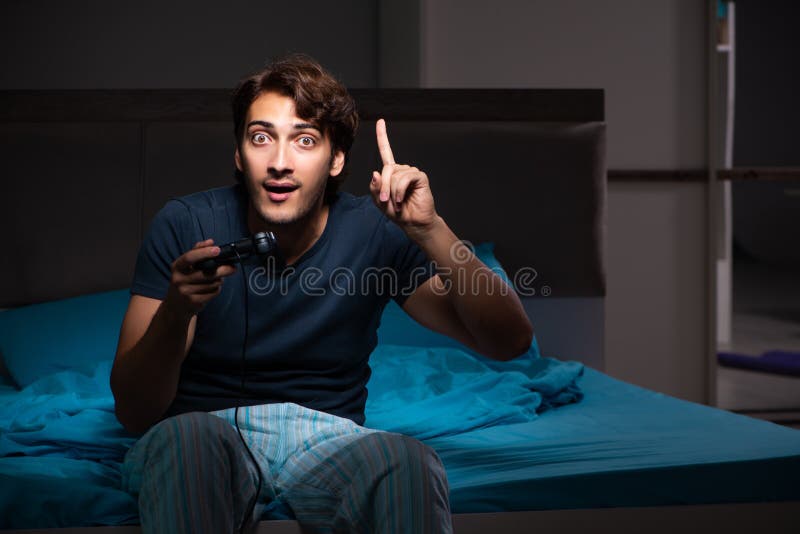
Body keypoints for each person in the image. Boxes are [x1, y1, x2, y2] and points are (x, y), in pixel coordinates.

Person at [111, 53, 533, 534]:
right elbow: (134, 413)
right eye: (261, 137)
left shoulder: (375, 231)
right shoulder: (185, 224)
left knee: (409, 462)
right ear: (239, 154)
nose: (279, 163)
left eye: (305, 140)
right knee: (188, 443)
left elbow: (510, 341)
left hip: (329, 439)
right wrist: (177, 311)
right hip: (204, 433)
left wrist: (430, 228)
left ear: (336, 160)